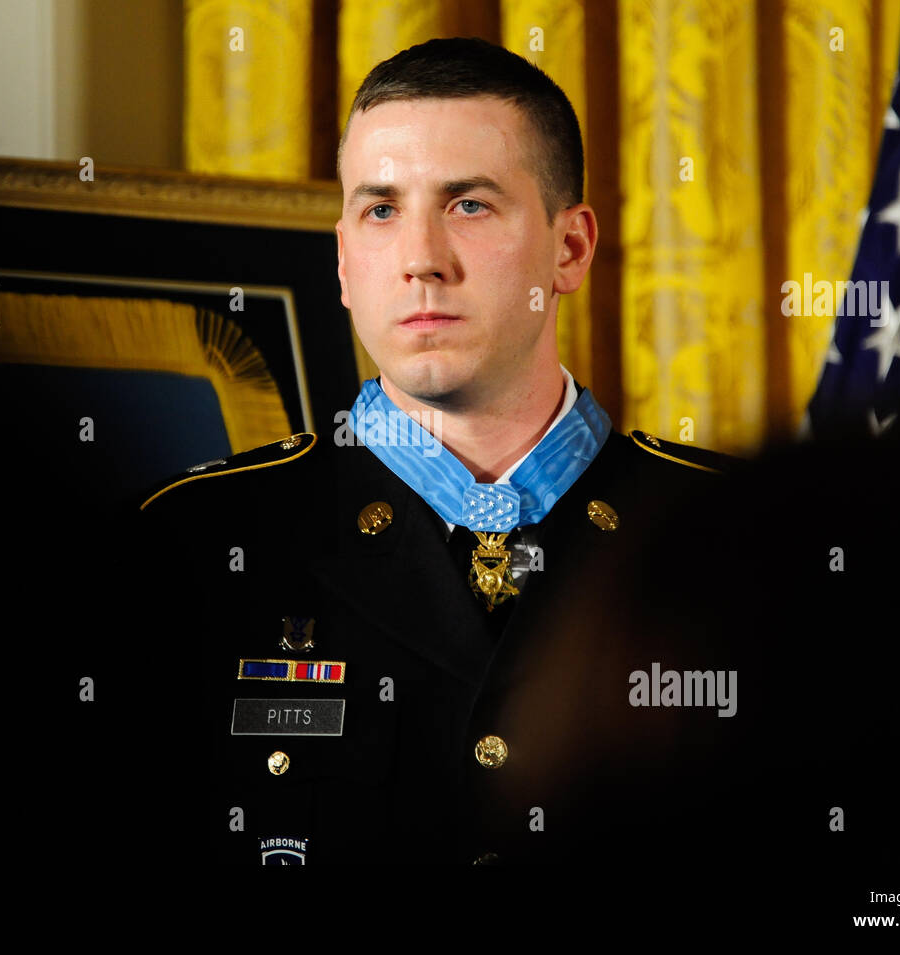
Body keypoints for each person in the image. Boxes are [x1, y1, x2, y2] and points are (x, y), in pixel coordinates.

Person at [135, 36, 744, 867]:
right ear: (345, 262)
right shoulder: (195, 541)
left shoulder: (736, 535)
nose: (421, 260)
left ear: (570, 250)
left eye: (469, 205)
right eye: (381, 209)